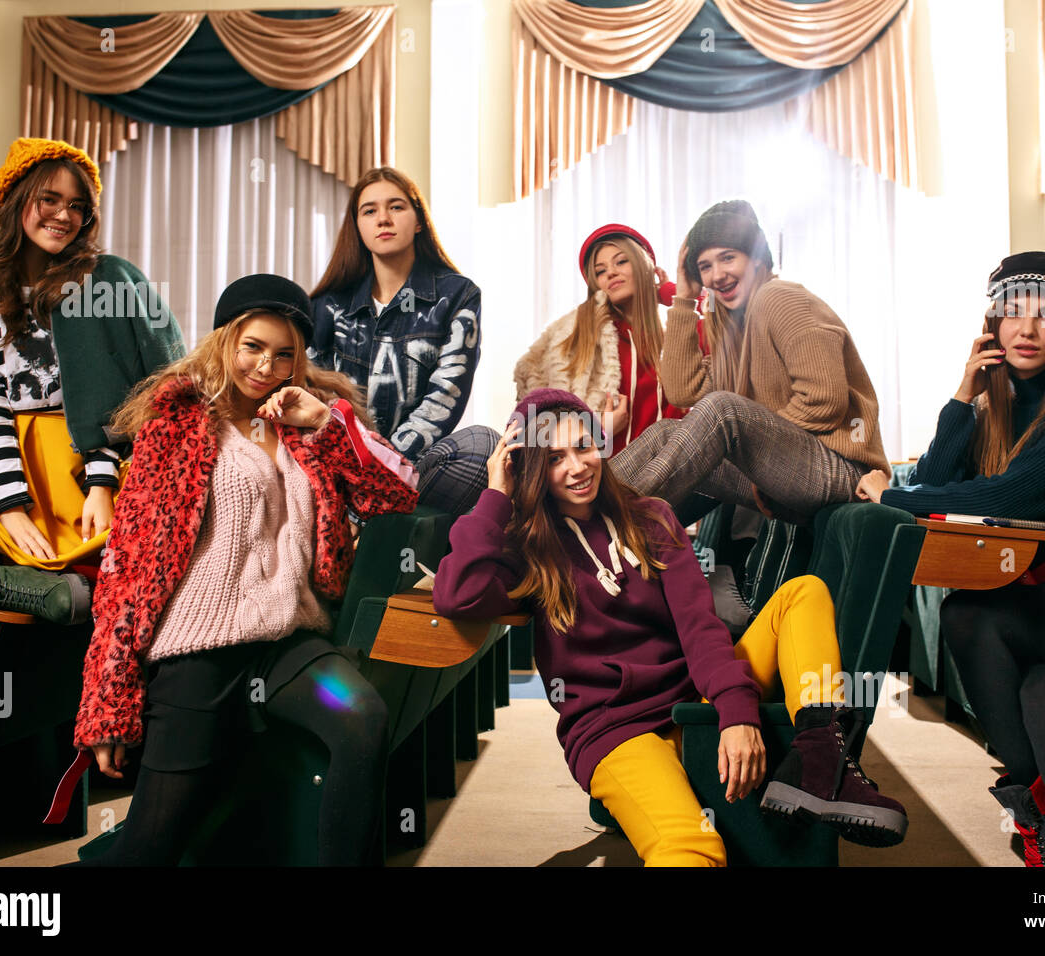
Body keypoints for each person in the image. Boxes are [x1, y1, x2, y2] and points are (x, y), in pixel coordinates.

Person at [433, 389, 907, 866]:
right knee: (691, 848)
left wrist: (736, 712)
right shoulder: (527, 548)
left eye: (583, 447)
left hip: (688, 698)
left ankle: (819, 759)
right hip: (614, 731)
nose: (577, 467)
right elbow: (459, 593)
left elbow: (700, 629)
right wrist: (497, 494)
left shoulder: (651, 518)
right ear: (532, 469)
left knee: (802, 593)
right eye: (554, 458)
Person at [73, 275, 418, 865]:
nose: (267, 365)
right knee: (154, 843)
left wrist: (328, 424)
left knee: (362, 717)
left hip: (290, 644)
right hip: (196, 652)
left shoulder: (305, 421)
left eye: (285, 354)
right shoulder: (177, 426)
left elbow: (398, 495)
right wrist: (107, 699)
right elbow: (130, 567)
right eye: (253, 346)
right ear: (226, 341)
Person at [856, 252, 1045, 867]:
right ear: (991, 326)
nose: (1026, 328)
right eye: (1011, 312)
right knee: (1043, 694)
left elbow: (1006, 496)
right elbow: (938, 484)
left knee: (972, 616)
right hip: (1036, 612)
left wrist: (891, 492)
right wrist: (961, 397)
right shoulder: (985, 414)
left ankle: (1034, 816)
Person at [0, 137, 184, 623]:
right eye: (49, 199)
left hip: (82, 451)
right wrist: (10, 505)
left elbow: (115, 394)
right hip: (0, 448)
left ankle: (63, 587)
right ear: (15, 201)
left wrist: (100, 483)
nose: (63, 215)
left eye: (77, 206)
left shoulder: (99, 285)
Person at [608, 200, 888, 526]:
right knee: (666, 432)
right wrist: (684, 298)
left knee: (723, 409)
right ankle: (566, 517)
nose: (717, 275)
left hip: (843, 471)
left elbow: (825, 399)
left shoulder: (778, 297)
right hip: (791, 468)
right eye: (705, 266)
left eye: (728, 258)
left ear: (756, 258)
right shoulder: (734, 328)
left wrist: (760, 451)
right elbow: (683, 390)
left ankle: (604, 523)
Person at [309, 166, 495, 514]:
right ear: (357, 226)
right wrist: (354, 466)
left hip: (413, 469)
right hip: (338, 467)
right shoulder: (326, 305)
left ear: (419, 220)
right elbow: (315, 399)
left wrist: (383, 468)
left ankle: (367, 518)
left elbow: (444, 399)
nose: (383, 219)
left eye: (396, 207)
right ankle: (359, 519)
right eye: (369, 210)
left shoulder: (458, 296)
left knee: (483, 444)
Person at [514, 224, 686, 455]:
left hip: (676, 469)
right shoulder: (578, 339)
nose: (611, 273)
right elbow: (532, 433)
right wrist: (599, 430)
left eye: (621, 261)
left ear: (645, 265)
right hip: (609, 475)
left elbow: (721, 312)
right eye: (600, 271)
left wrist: (672, 293)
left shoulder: (677, 340)